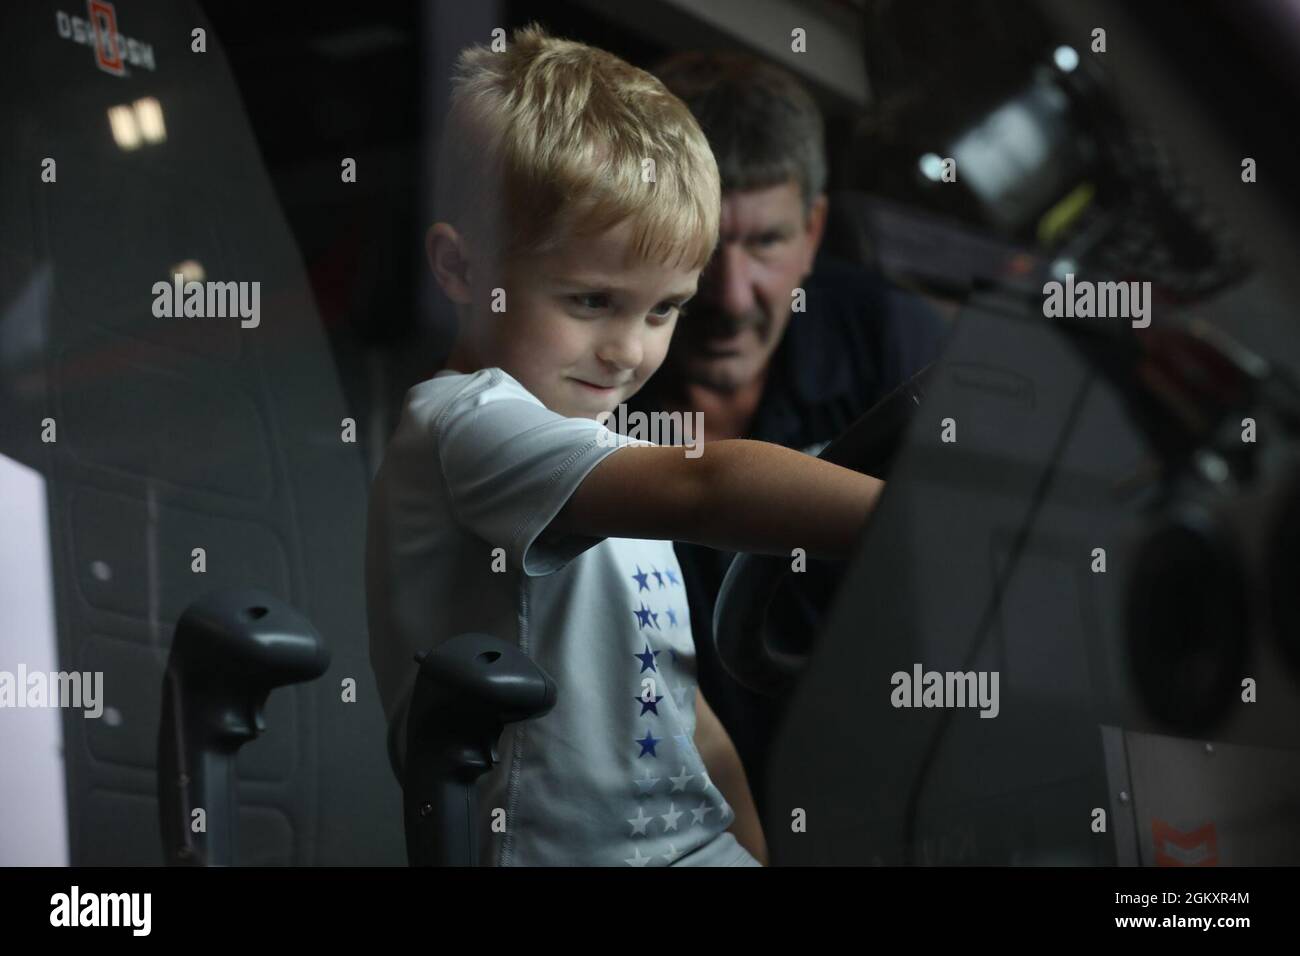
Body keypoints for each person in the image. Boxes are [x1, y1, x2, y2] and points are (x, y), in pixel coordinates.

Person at [365, 25, 882, 867]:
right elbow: (706, 488)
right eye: (591, 299)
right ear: (461, 269)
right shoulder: (466, 425)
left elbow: (688, 718)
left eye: (662, 309)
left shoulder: (590, 455)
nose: (629, 350)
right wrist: (904, 523)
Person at [624, 52, 948, 817]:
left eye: (766, 243)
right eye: (699, 249)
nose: (732, 299)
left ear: (814, 231)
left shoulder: (893, 344)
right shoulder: (581, 381)